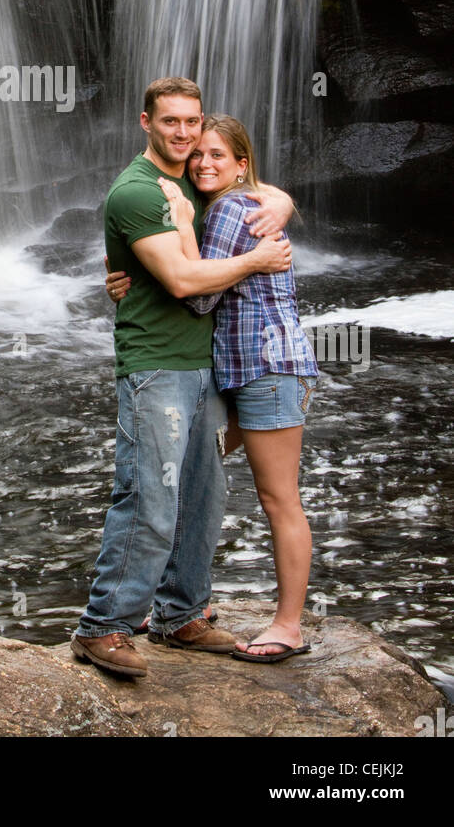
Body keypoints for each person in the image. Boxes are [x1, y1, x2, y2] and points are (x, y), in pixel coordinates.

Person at [70, 77, 294, 679]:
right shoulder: (138, 191)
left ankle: (181, 613)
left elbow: (247, 187)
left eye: (192, 122)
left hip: (206, 366)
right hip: (158, 366)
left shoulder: (186, 184)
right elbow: (181, 281)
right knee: (149, 497)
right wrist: (256, 259)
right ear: (146, 123)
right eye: (171, 121)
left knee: (203, 495)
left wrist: (281, 201)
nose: (184, 133)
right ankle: (104, 626)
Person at [107, 113, 318, 664]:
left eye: (217, 155)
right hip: (246, 370)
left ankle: (288, 625)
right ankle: (179, 609)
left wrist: (179, 224)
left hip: (264, 370)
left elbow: (198, 297)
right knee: (196, 482)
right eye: (197, 153)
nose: (202, 162)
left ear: (241, 164)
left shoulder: (226, 209)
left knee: (278, 499)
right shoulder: (236, 201)